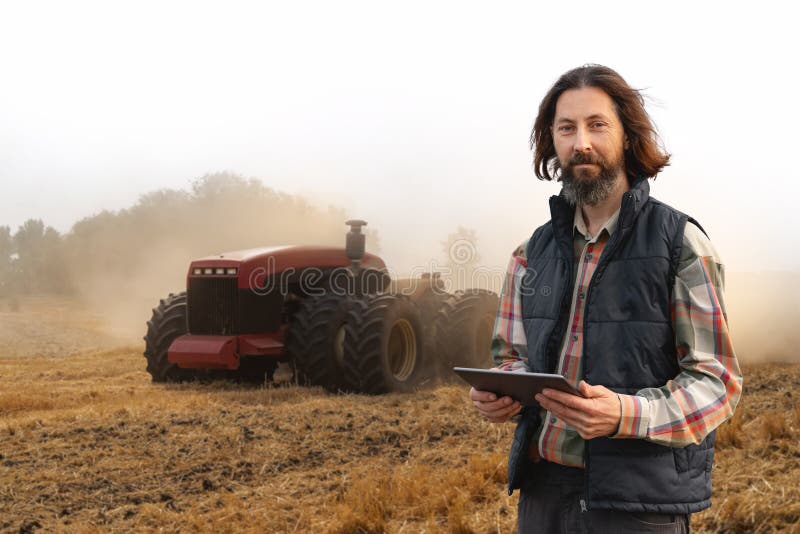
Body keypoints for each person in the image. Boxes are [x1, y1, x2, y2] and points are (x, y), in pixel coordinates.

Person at [469, 65, 742, 533]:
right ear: (551, 143)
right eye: (566, 128)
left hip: (638, 506)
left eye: (597, 125)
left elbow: (716, 383)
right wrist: (499, 392)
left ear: (628, 137)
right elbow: (513, 360)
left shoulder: (680, 244)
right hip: (543, 498)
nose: (581, 143)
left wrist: (625, 414)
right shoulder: (529, 253)